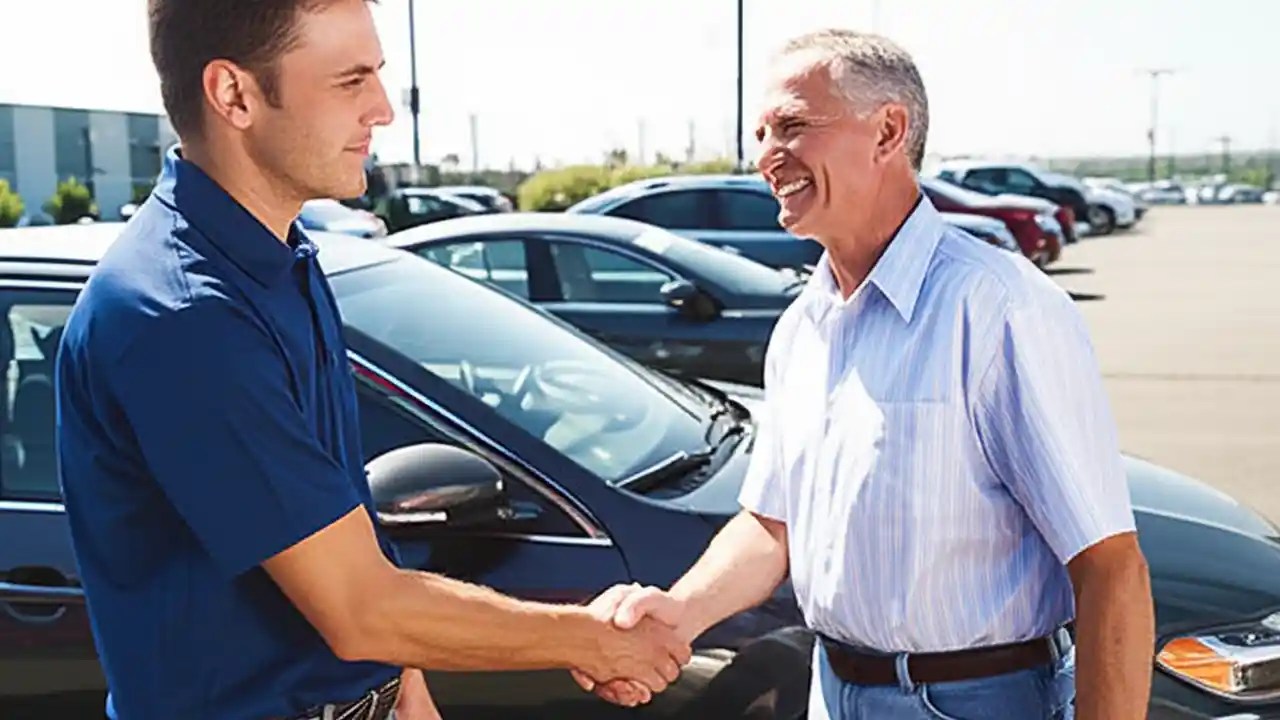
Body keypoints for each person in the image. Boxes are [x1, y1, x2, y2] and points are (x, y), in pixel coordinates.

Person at [55, 2, 688, 719]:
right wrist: (593, 640)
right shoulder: (182, 318)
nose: (383, 110)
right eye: (351, 81)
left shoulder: (281, 259)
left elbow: (349, 525)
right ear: (234, 94)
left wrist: (408, 691)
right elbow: (360, 608)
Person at [578, 29, 1155, 719]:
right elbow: (773, 526)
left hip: (974, 703)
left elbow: (1110, 567)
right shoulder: (803, 326)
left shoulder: (998, 308)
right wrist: (675, 614)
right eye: (760, 133)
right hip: (833, 691)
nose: (765, 156)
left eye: (791, 126)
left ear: (888, 131)